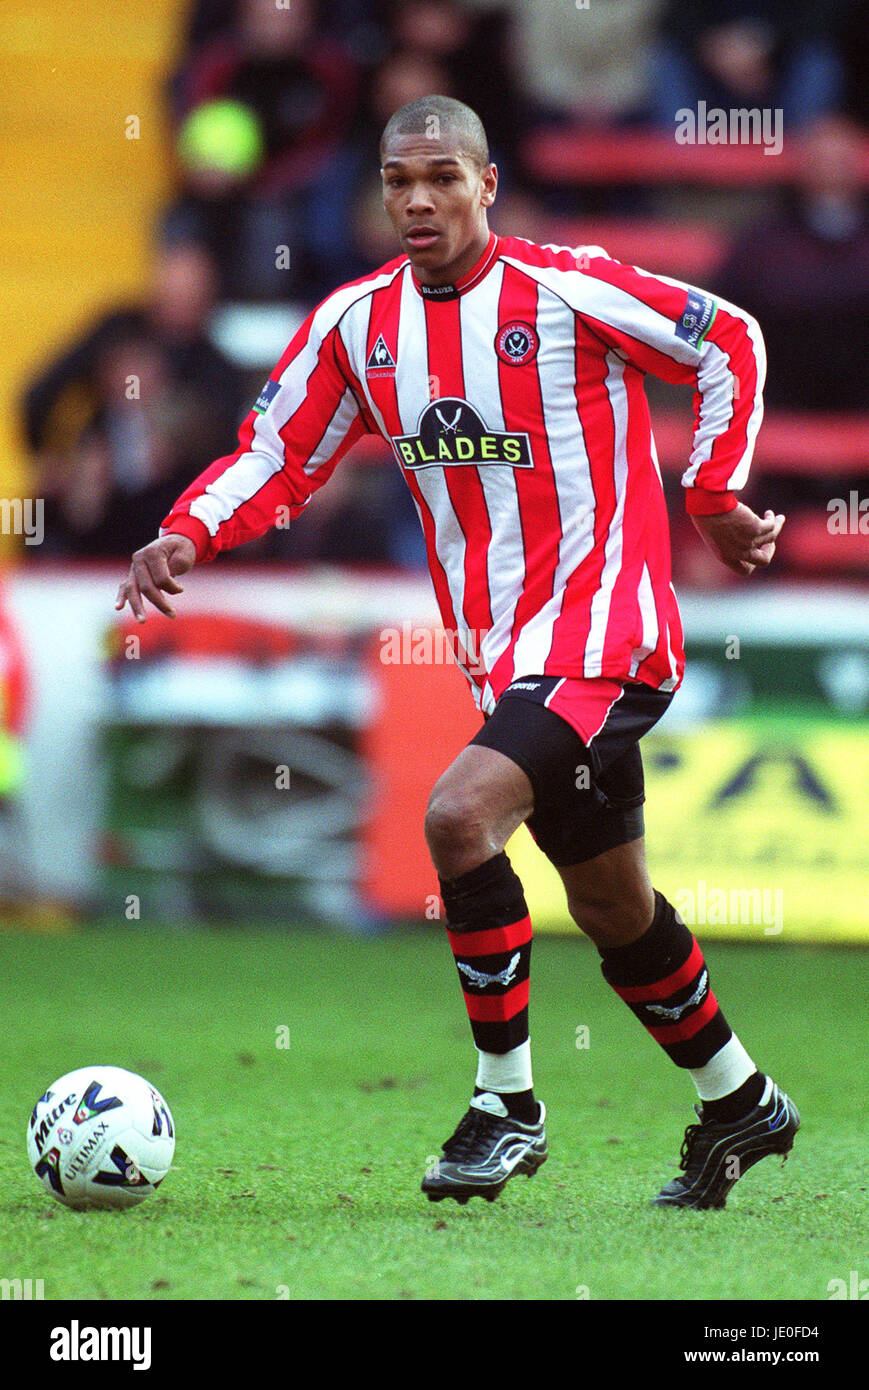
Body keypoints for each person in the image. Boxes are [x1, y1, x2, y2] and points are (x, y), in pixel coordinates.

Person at [116, 95, 799, 1210]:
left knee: (454, 814)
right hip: (506, 654)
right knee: (614, 907)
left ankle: (504, 1106)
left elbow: (726, 335)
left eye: (442, 175)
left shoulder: (565, 288)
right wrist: (186, 528)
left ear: (486, 184)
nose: (418, 198)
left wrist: (713, 491)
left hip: (604, 632)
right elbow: (276, 453)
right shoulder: (357, 325)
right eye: (397, 180)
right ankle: (739, 1102)